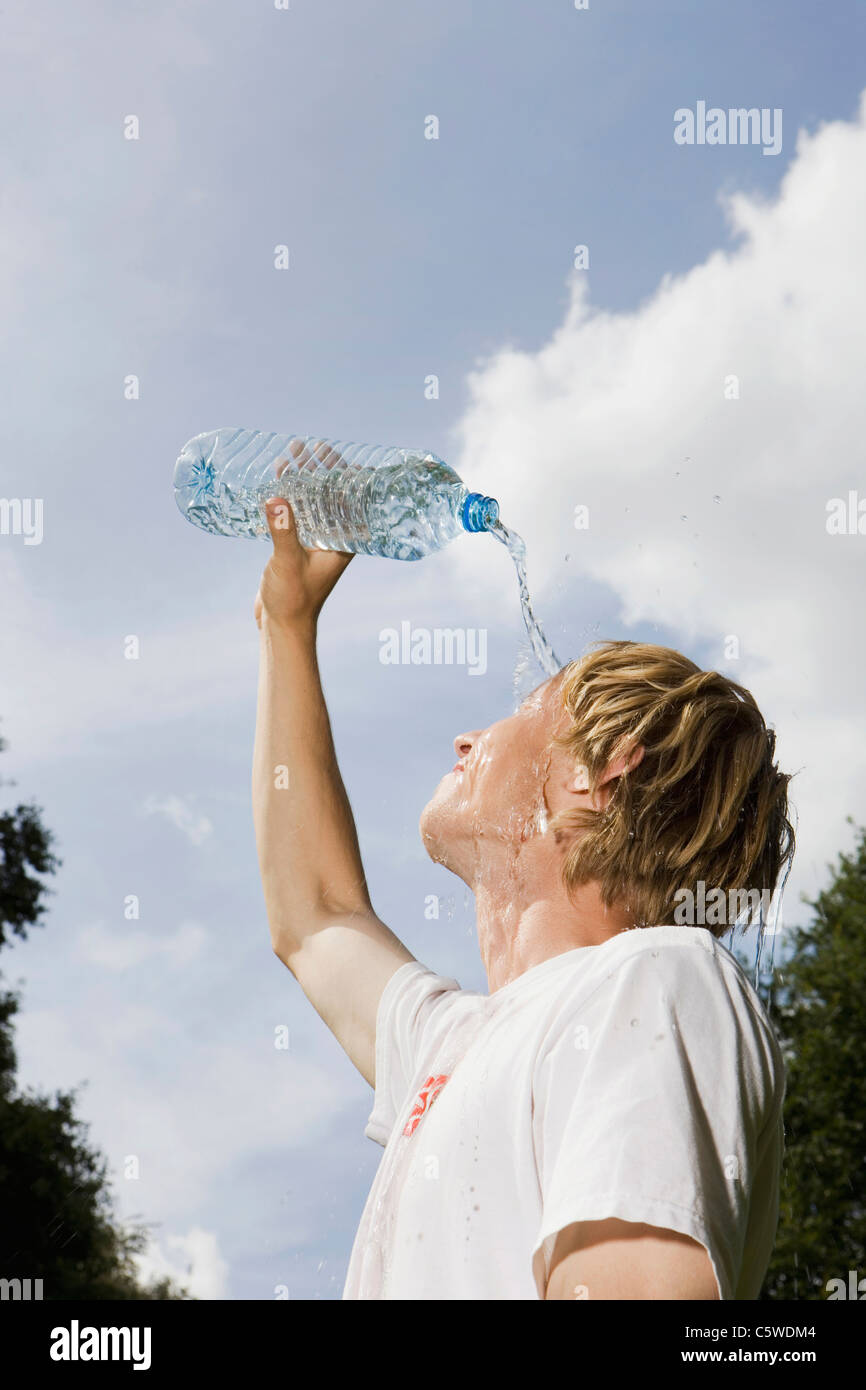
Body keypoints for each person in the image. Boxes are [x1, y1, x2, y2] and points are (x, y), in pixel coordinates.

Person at [252, 492, 795, 1301]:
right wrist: (286, 626)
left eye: (518, 714)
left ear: (602, 772)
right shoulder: (458, 1042)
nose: (467, 739)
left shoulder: (655, 981)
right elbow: (317, 918)